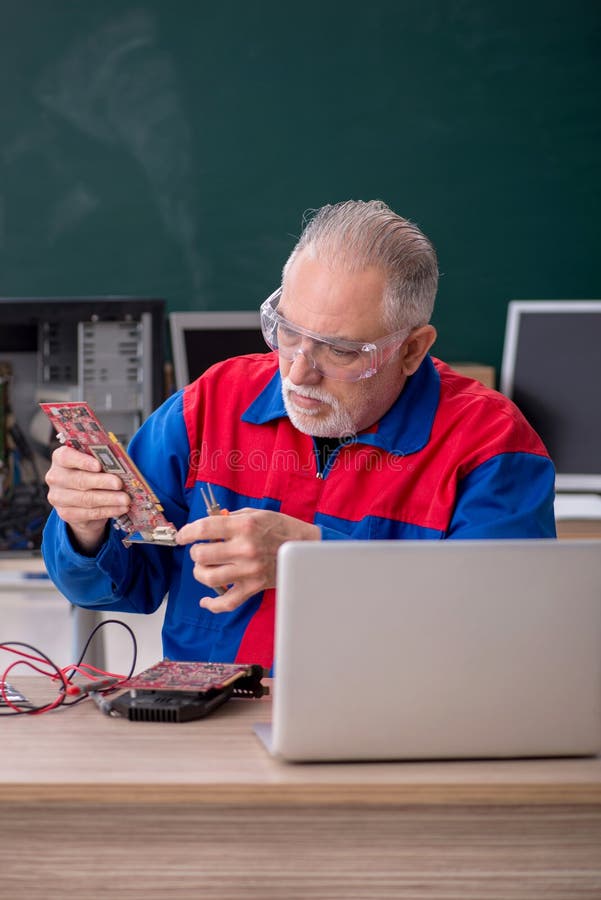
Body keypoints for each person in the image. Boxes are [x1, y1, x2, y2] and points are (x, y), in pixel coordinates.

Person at [42, 200, 556, 669]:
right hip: (213, 729)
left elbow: (504, 629)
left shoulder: (490, 443)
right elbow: (112, 588)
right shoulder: (212, 403)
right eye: (287, 332)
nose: (297, 374)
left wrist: (313, 561)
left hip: (398, 734)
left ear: (412, 349)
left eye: (340, 350)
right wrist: (85, 529)